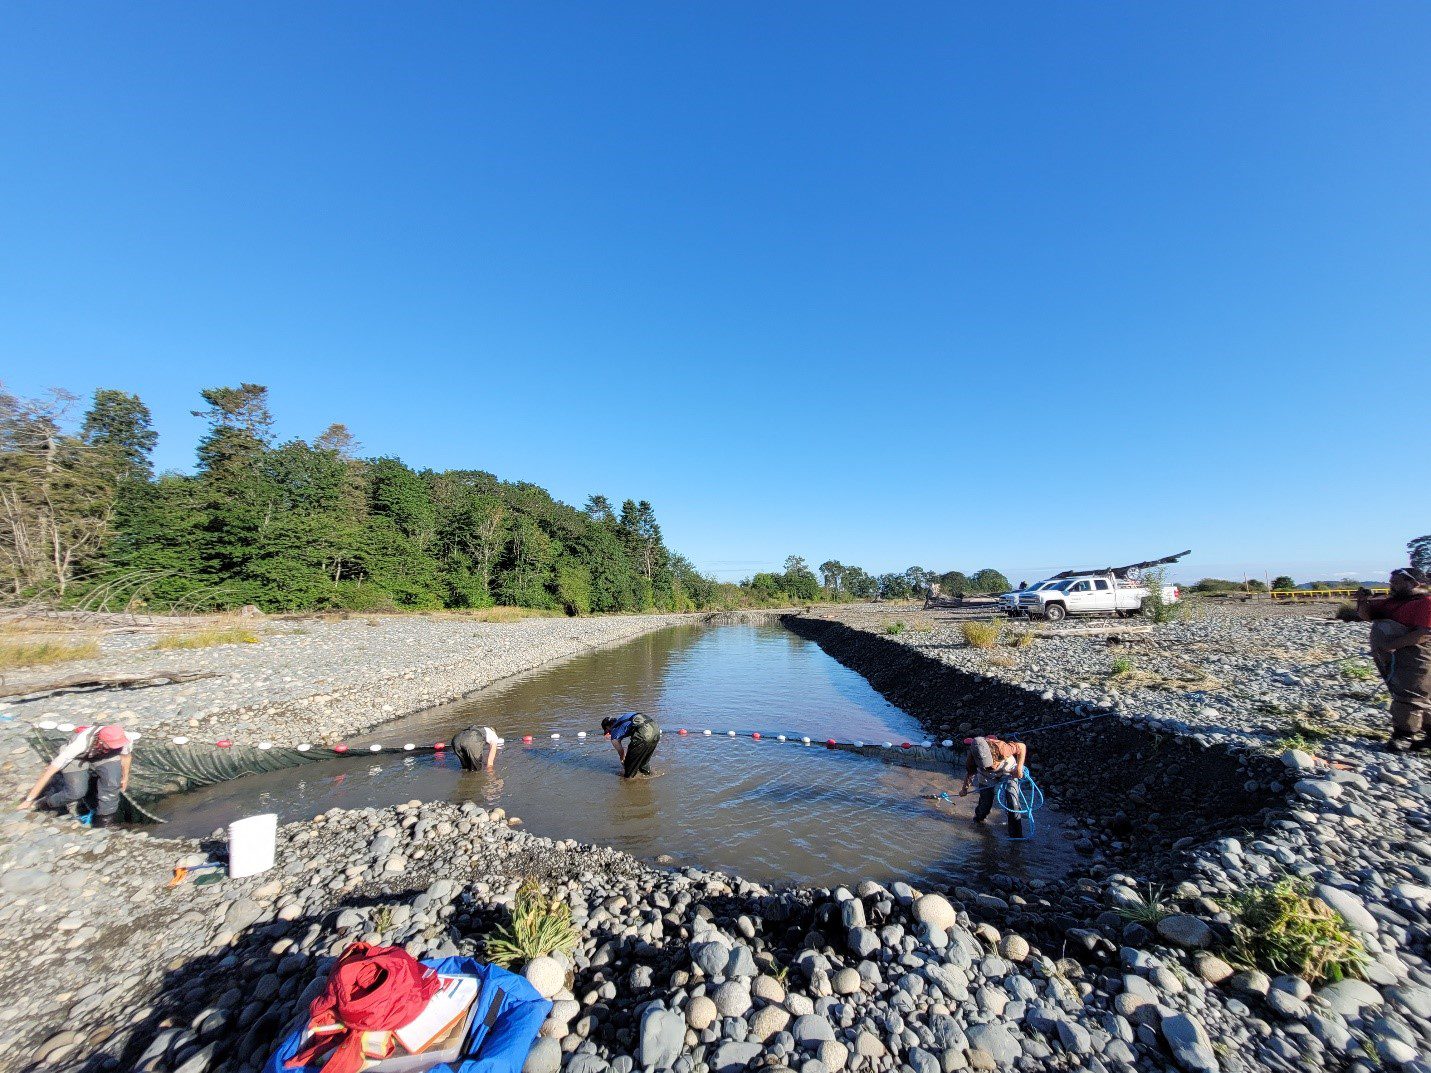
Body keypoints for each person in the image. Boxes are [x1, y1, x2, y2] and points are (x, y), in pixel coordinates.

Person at [1357, 567, 1431, 751]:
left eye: (1397, 582)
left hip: (1416, 655)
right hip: (1392, 656)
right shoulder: (1391, 603)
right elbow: (1366, 616)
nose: (1392, 586)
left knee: (1410, 694)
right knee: (1413, 693)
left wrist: (1391, 645)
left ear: (1414, 583)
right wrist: (1363, 601)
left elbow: (1424, 633)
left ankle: (1404, 735)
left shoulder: (1426, 603)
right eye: (1392, 582)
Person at [20, 723, 133, 827]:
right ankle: (45, 803)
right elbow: (49, 772)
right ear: (101, 741)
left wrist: (125, 777)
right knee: (76, 792)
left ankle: (102, 824)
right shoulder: (79, 743)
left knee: (112, 784)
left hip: (106, 756)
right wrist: (29, 799)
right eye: (113, 745)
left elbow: (126, 757)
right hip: (77, 758)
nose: (118, 746)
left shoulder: (125, 738)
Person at [959, 734, 1027, 836]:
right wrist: (964, 789)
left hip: (1007, 770)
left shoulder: (1002, 747)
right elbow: (970, 774)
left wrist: (1019, 768)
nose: (992, 766)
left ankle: (1016, 835)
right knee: (985, 803)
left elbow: (1022, 747)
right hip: (986, 776)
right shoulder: (971, 760)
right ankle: (978, 821)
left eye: (991, 763)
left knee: (1012, 799)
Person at [601, 711, 661, 779]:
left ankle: (629, 785)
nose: (609, 733)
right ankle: (649, 776)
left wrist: (624, 762)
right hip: (656, 731)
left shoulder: (614, 732)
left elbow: (621, 753)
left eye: (607, 731)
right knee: (643, 763)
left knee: (628, 771)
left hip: (644, 734)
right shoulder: (625, 718)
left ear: (608, 727)